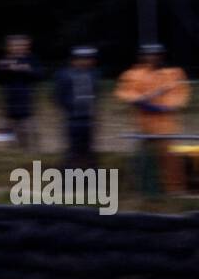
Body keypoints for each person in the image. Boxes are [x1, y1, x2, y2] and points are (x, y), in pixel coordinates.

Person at [115, 44, 190, 196]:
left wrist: (165, 107)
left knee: (170, 159)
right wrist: (143, 102)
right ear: (142, 56)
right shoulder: (132, 75)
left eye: (156, 54)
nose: (153, 58)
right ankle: (141, 190)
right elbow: (126, 94)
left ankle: (174, 190)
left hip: (165, 125)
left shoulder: (174, 74)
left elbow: (180, 96)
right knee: (143, 158)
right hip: (143, 124)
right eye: (149, 54)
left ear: (162, 56)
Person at [53, 46, 100, 170]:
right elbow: (58, 96)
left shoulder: (93, 74)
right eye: (83, 59)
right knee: (73, 151)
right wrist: (69, 108)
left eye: (89, 59)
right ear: (74, 60)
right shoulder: (64, 75)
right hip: (73, 118)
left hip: (88, 118)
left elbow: (96, 94)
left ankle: (90, 180)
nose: (86, 62)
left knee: (88, 150)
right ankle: (68, 181)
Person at [0, 34, 43, 148]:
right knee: (9, 135)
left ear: (27, 46)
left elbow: (39, 76)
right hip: (8, 103)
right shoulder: (3, 61)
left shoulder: (32, 59)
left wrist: (25, 69)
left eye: (21, 45)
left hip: (28, 103)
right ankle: (14, 155)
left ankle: (31, 156)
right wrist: (5, 69)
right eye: (14, 45)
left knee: (29, 132)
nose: (17, 47)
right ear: (8, 47)